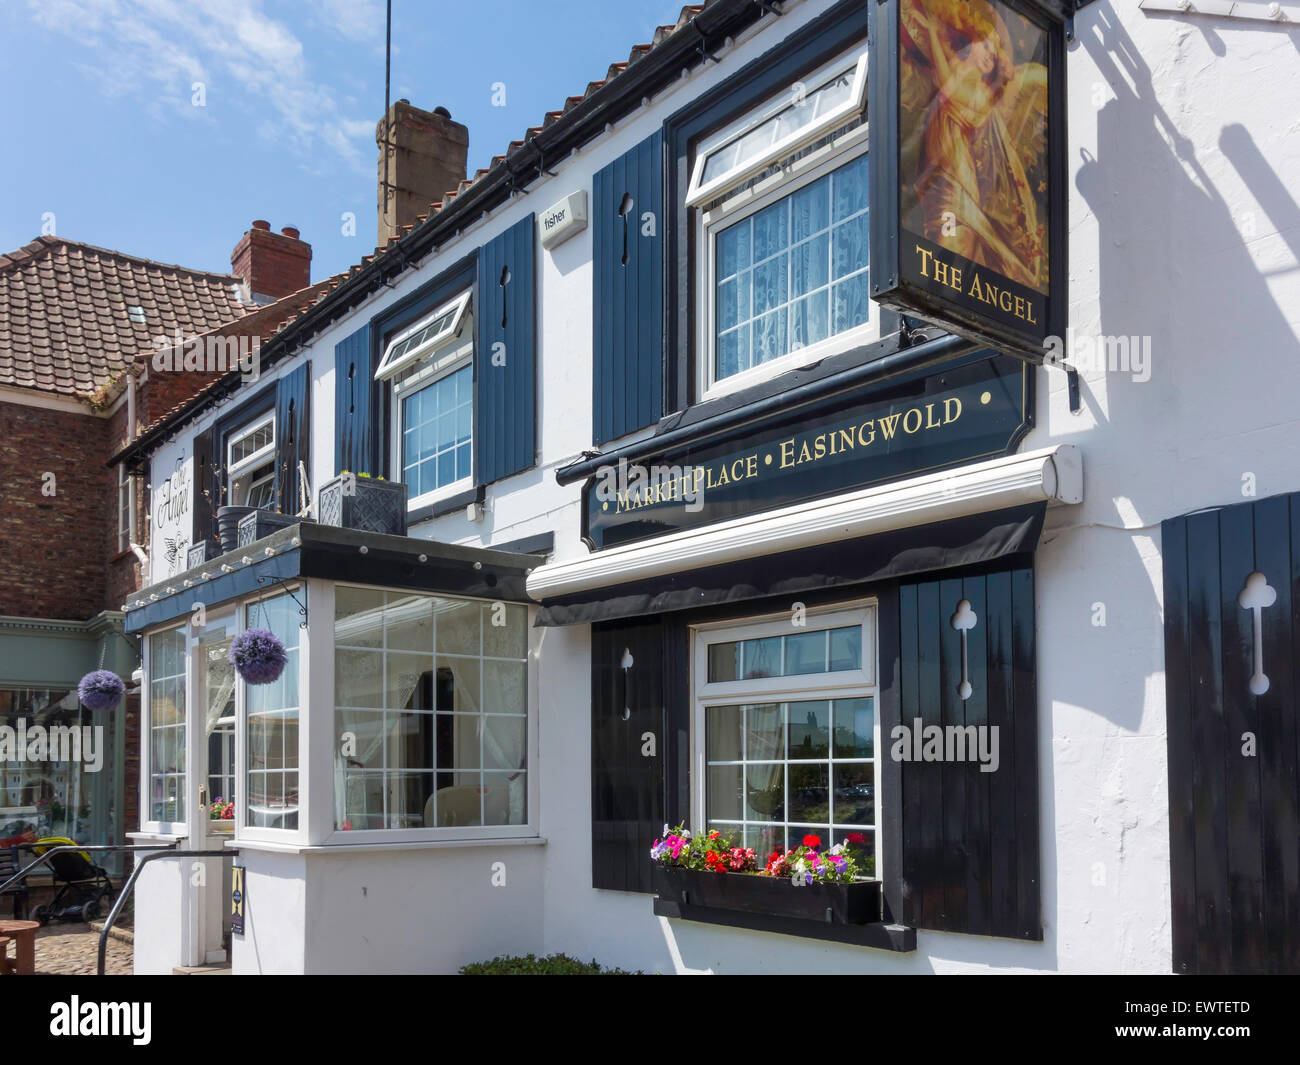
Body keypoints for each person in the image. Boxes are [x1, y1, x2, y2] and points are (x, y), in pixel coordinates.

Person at [903, 0, 1046, 291]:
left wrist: (932, 32)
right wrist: (932, 28)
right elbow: (944, 72)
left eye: (995, 53)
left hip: (957, 166)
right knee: (944, 222)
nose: (991, 56)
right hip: (939, 161)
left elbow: (950, 86)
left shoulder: (980, 91)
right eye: (987, 46)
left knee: (956, 224)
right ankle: (942, 296)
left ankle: (945, 295)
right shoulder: (957, 68)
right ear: (972, 40)